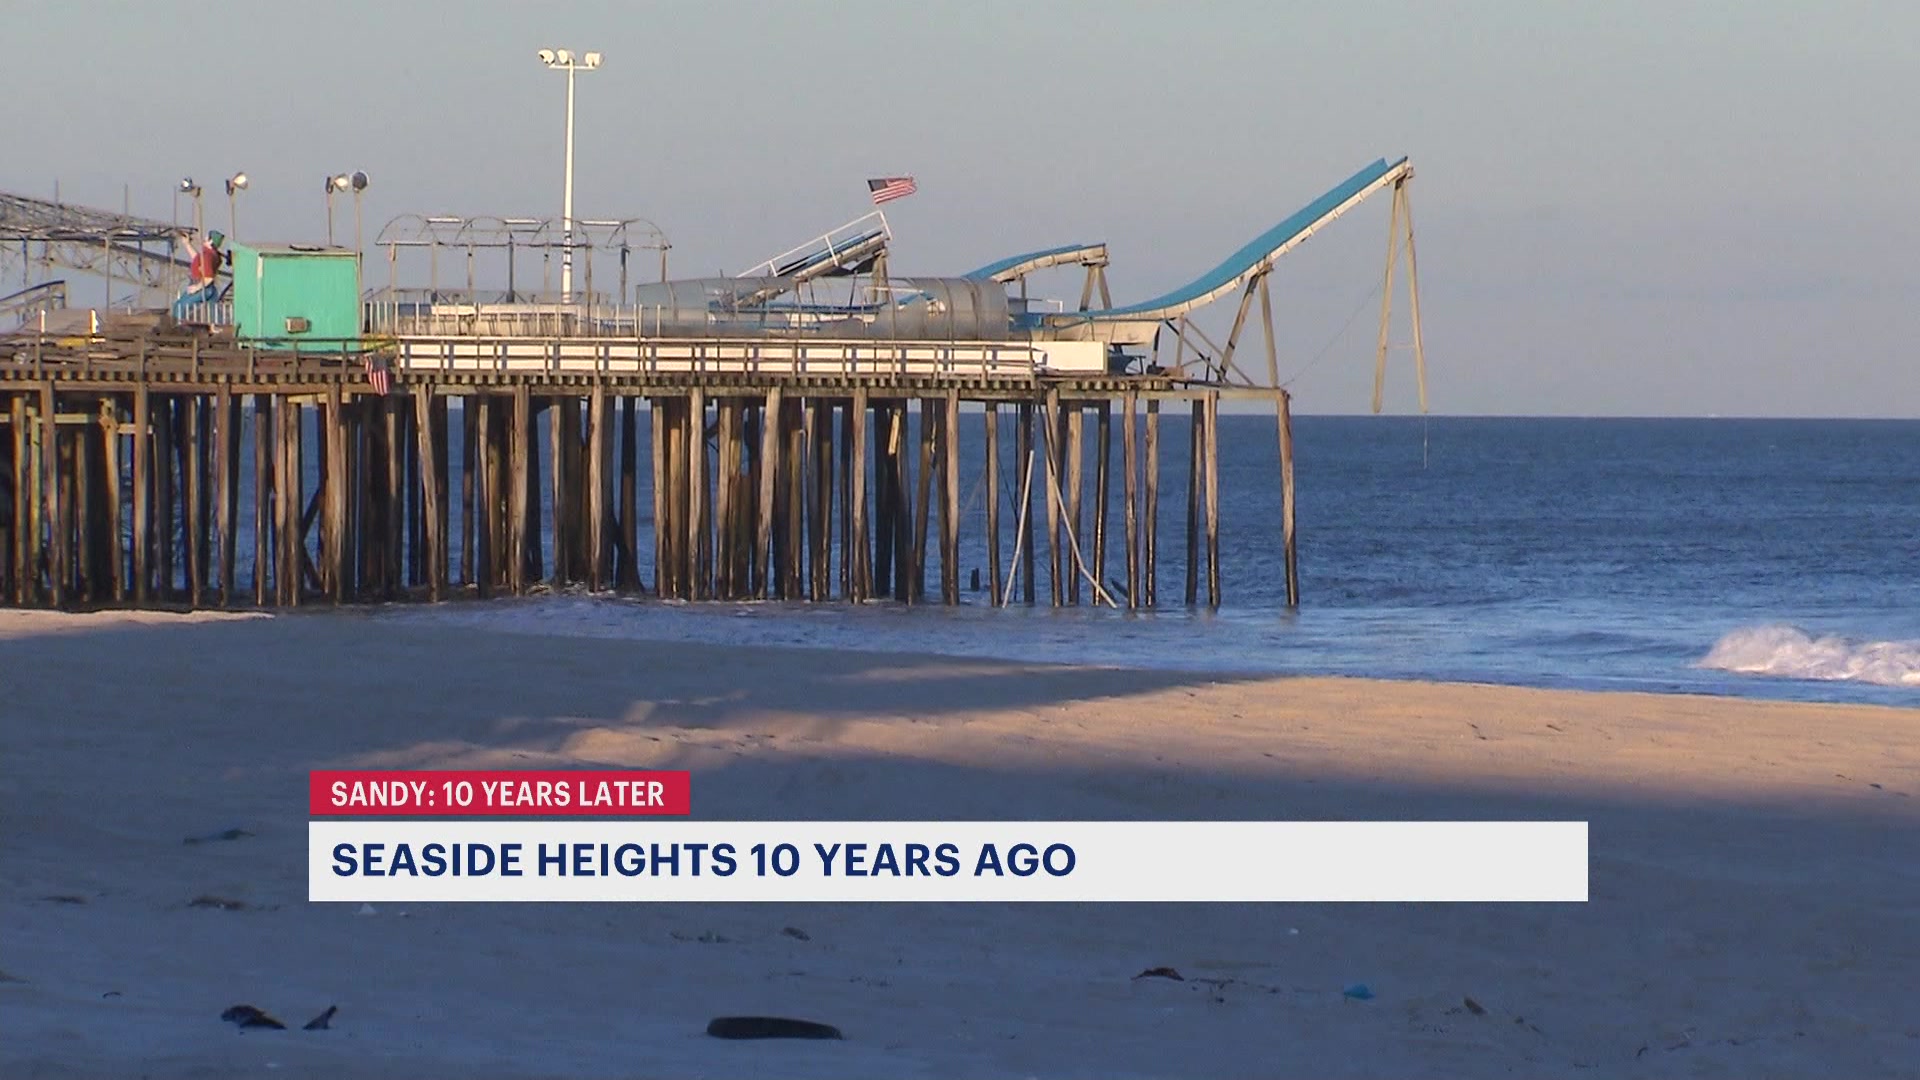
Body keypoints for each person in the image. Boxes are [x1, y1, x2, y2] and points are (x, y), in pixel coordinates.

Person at [171, 229, 226, 321]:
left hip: (202, 286)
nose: (204, 238)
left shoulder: (207, 256)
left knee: (179, 306)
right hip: (208, 287)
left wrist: (196, 288)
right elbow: (197, 260)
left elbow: (208, 278)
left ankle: (177, 327)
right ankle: (220, 328)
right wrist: (187, 244)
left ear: (211, 240)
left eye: (206, 237)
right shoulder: (211, 254)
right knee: (214, 314)